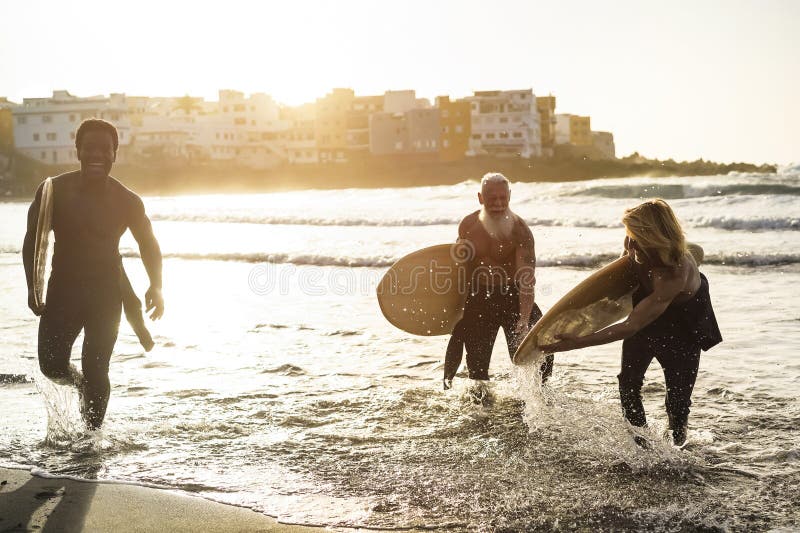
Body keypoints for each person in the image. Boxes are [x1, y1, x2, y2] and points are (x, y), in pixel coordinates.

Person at [541, 199, 722, 446]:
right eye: (629, 235)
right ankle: (642, 443)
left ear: (653, 235)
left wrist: (577, 342)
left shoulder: (674, 274)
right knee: (628, 383)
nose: (630, 242)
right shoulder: (637, 245)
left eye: (635, 235)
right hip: (647, 313)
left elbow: (630, 325)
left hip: (682, 328)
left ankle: (678, 448)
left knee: (678, 402)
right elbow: (619, 280)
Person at [22, 118, 164, 429]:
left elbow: (148, 243)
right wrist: (33, 287)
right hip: (63, 292)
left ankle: (90, 439)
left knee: (98, 371)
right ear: (78, 151)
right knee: (51, 365)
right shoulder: (53, 191)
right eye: (90, 148)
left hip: (106, 296)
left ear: (115, 153)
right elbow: (33, 239)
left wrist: (156, 285)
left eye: (105, 149)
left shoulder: (127, 200)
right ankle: (80, 385)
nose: (96, 155)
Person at [443, 173, 553, 399]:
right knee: (477, 371)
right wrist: (458, 309)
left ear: (510, 196)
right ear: (480, 198)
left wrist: (524, 319)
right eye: (491, 198)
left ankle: (534, 404)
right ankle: (481, 415)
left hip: (512, 297)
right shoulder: (468, 225)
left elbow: (526, 279)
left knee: (534, 364)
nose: (498, 203)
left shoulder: (520, 231)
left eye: (503, 198)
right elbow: (461, 267)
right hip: (480, 297)